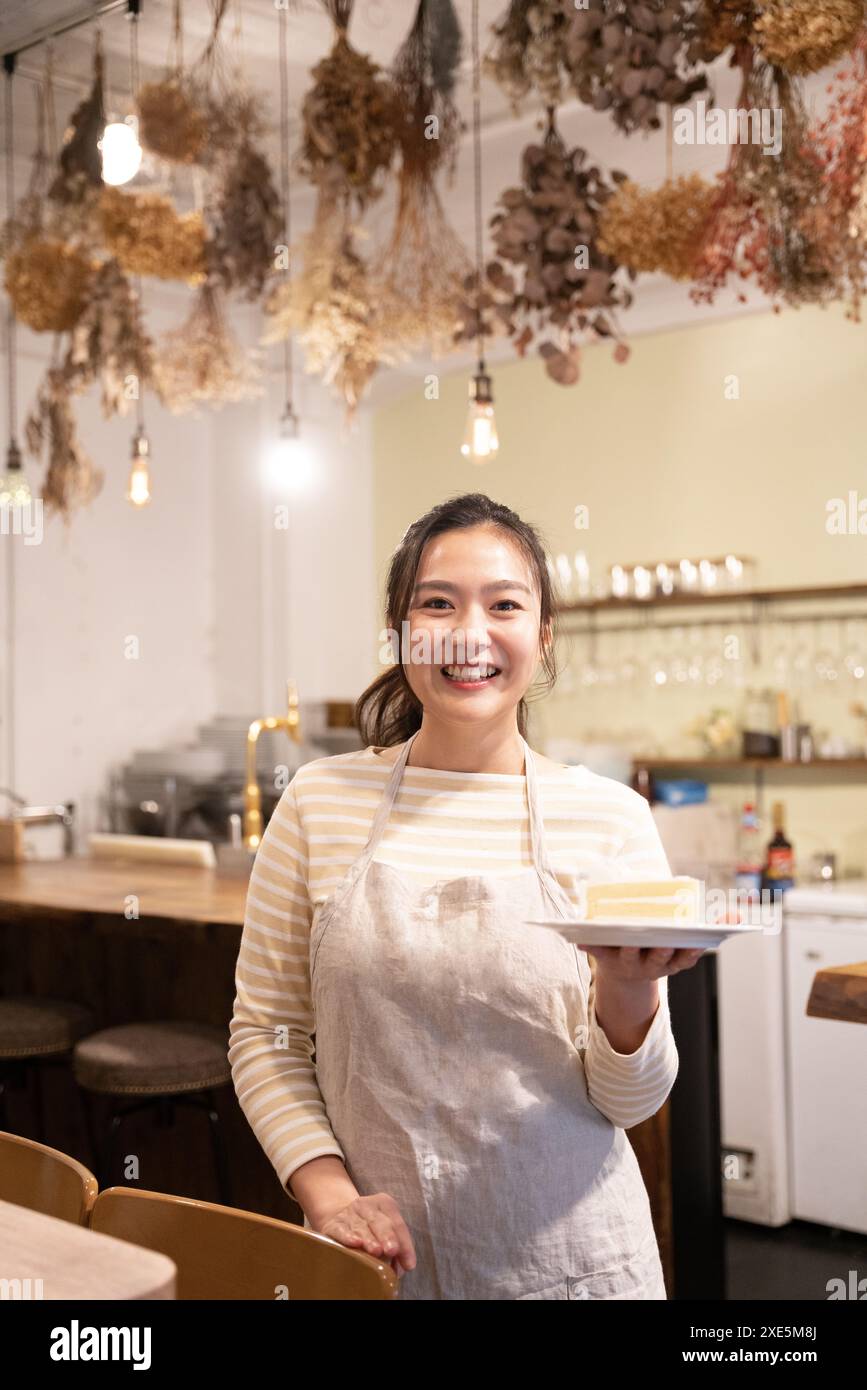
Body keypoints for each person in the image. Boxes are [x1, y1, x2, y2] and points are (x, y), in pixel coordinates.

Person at [228, 492, 705, 1299]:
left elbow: (629, 1102)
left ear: (542, 637)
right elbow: (265, 1034)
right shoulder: (318, 801)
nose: (468, 632)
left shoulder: (609, 817)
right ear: (400, 631)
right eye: (436, 603)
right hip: (377, 1265)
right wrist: (328, 1195)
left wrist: (630, 991)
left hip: (572, 1264)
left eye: (504, 605)